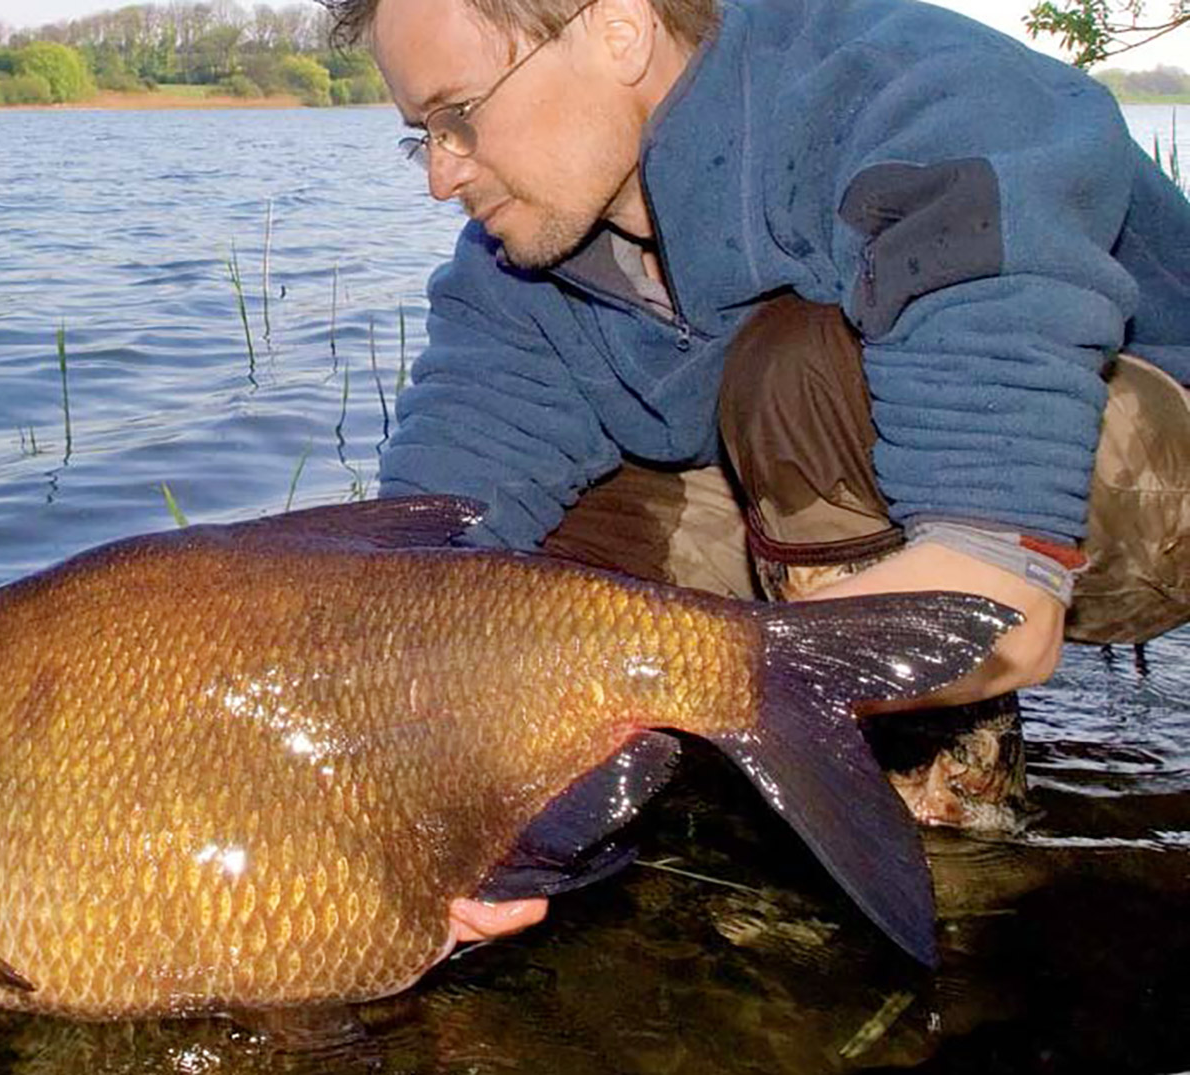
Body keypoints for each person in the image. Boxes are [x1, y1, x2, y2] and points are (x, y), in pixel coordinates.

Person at [314, 0, 1190, 943]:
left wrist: (719, 680)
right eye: (422, 138)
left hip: (1113, 482)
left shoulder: (905, 94)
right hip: (838, 536)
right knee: (525, 577)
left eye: (459, 115)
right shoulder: (514, 269)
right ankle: (778, 783)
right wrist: (426, 812)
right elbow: (416, 573)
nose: (443, 176)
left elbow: (1005, 608)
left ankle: (946, 838)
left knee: (795, 368)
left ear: (617, 26)